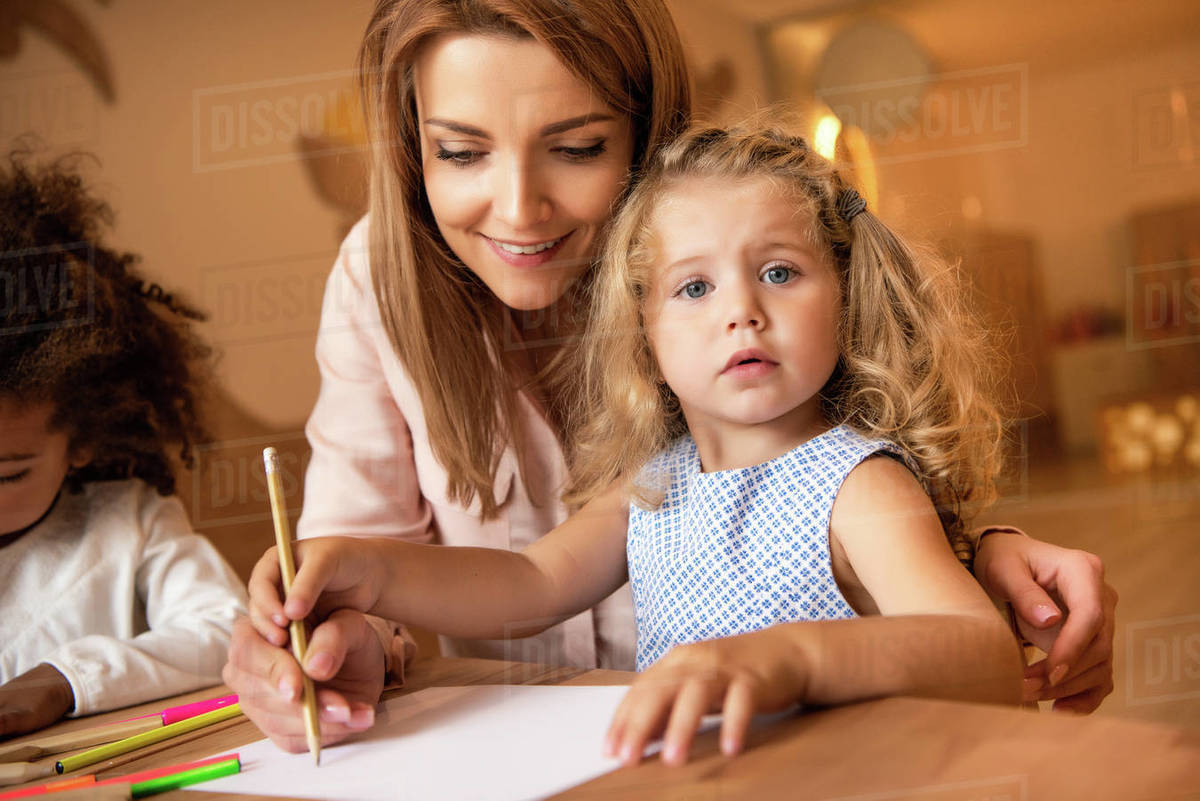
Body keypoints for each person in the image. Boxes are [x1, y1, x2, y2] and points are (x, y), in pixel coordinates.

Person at [222, 0, 1116, 751]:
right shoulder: (658, 485)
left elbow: (980, 655)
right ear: (640, 327)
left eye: (576, 148)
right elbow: (528, 585)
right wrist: (362, 576)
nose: (738, 313)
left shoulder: (852, 483)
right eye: (461, 151)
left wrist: (802, 651)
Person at [0, 151, 248, 736]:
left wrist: (64, 679)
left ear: (83, 438)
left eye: (7, 474)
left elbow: (225, 629)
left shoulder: (130, 522)